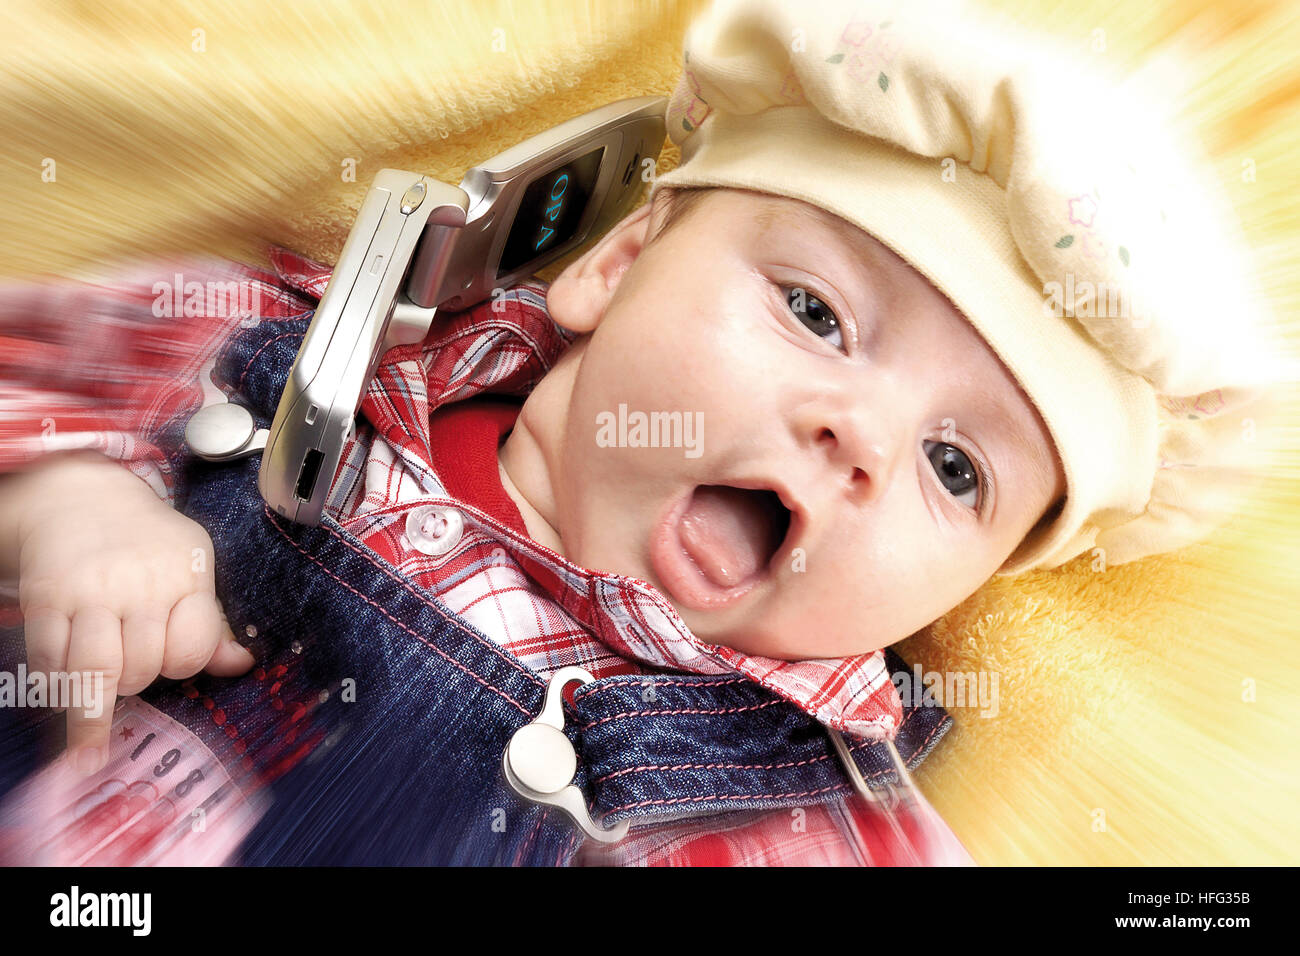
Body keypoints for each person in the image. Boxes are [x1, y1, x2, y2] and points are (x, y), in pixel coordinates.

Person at [0, 0, 1284, 865]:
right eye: (817, 313)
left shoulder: (801, 816)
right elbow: (30, 371)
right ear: (615, 263)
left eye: (957, 468)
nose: (861, 440)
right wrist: (73, 506)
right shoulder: (295, 364)